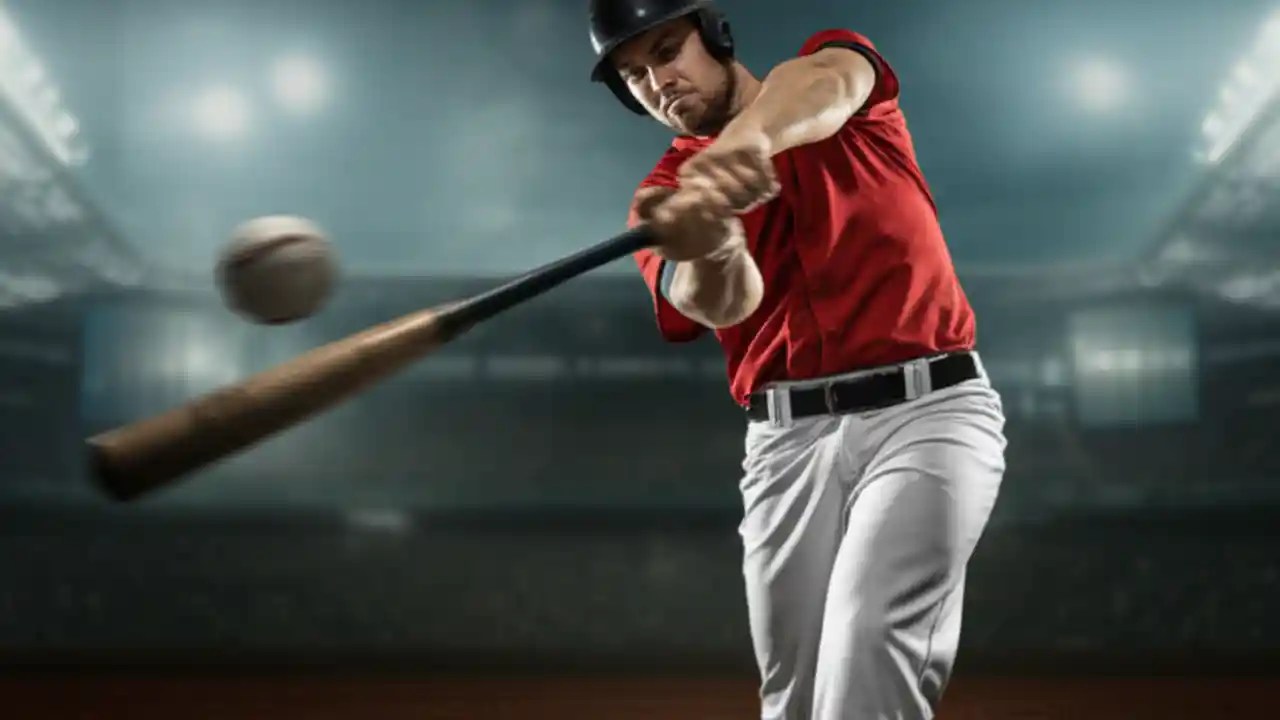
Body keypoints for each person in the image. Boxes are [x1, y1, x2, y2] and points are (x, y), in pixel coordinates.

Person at [586, 1, 1008, 718]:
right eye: (633, 75)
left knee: (870, 641)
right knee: (794, 697)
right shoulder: (662, 199)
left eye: (666, 51)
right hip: (785, 444)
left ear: (715, 35)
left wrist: (740, 149)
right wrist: (713, 240)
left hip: (927, 411)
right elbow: (720, 303)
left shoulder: (820, 76)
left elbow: (831, 87)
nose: (657, 82)